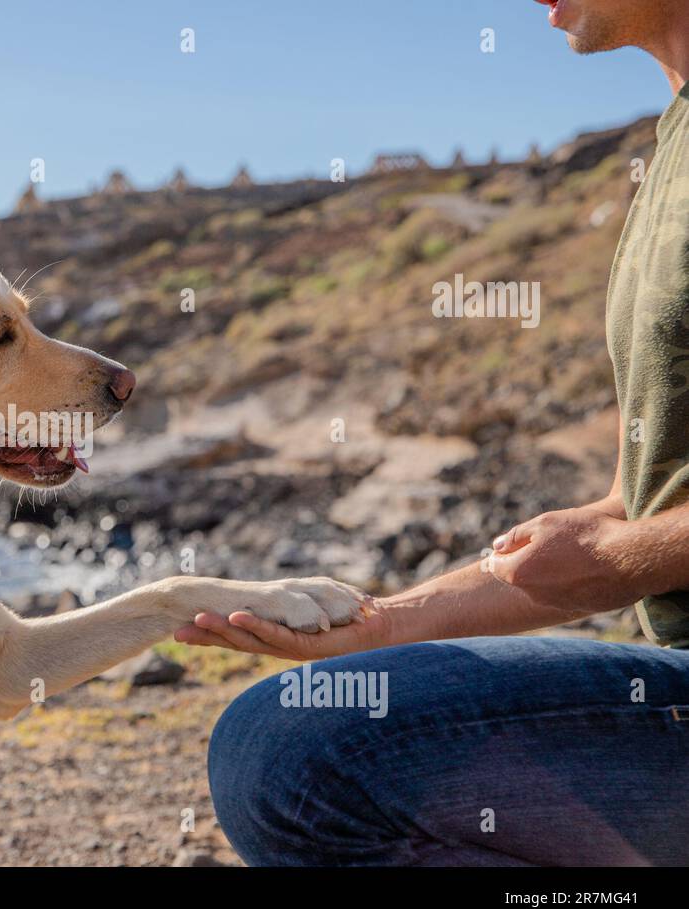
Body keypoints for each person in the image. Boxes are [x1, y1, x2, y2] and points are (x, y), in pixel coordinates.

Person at [177, 0, 689, 865]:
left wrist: (619, 559)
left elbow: (627, 551)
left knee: (299, 756)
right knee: (289, 733)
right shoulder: (667, 149)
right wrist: (381, 624)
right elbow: (637, 508)